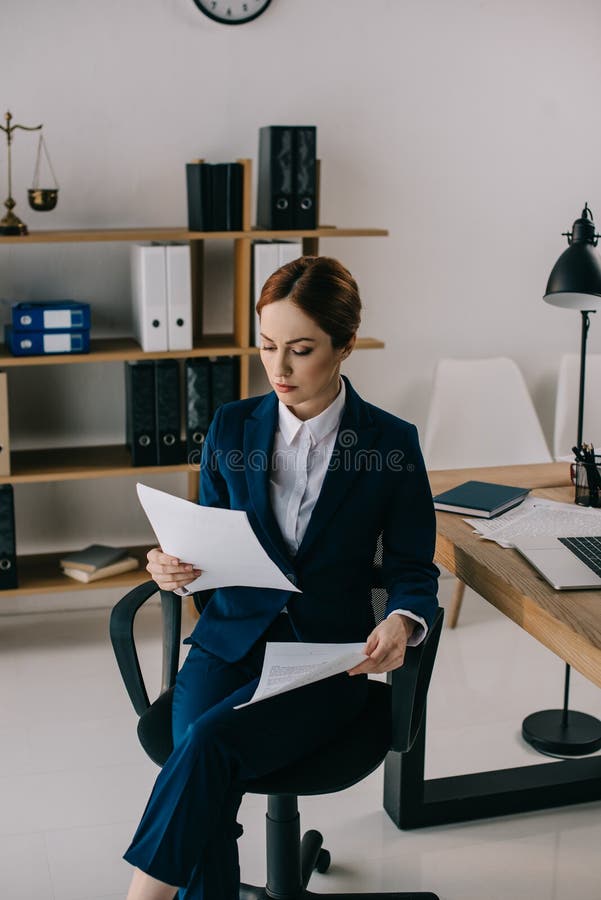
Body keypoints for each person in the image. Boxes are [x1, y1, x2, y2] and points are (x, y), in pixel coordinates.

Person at [123, 256, 439, 900]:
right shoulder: (232, 426)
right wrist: (172, 569)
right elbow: (205, 546)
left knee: (206, 747)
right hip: (229, 641)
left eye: (300, 349)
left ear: (345, 344)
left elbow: (413, 568)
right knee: (203, 756)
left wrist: (402, 620)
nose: (279, 368)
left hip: (326, 659)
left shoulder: (391, 444)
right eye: (267, 346)